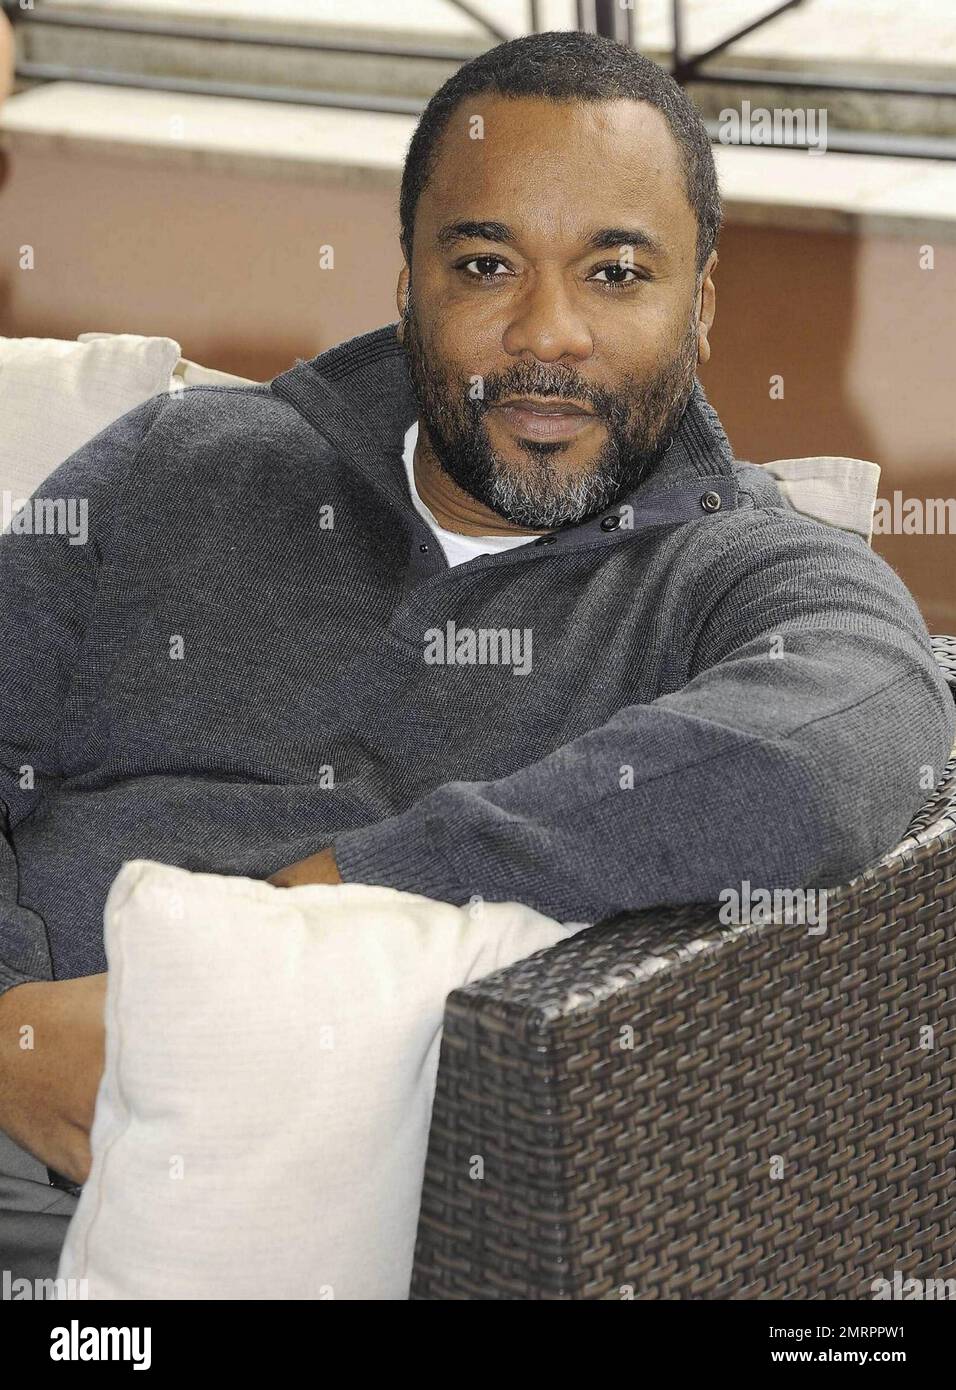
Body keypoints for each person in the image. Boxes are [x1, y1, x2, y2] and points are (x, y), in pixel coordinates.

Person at [1, 30, 953, 1285]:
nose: (544, 333)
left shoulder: (747, 580)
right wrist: (15, 1030)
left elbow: (820, 757)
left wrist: (282, 929)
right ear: (405, 283)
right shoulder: (177, 466)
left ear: (700, 307)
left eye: (615, 271)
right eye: (485, 263)